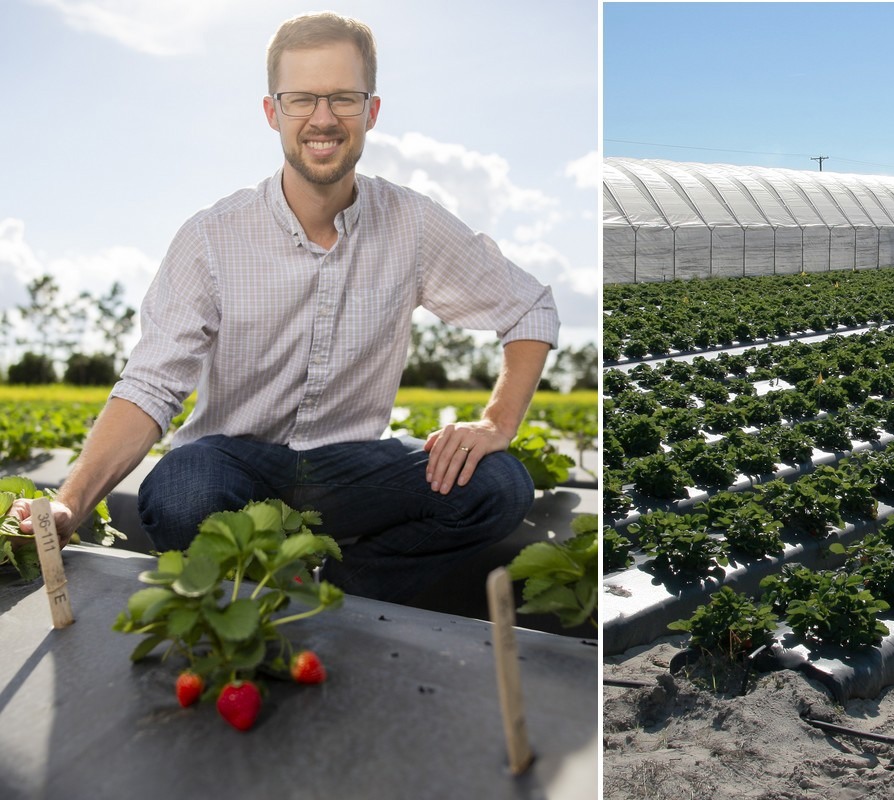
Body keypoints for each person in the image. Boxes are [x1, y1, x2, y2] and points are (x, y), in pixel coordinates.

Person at [8, 12, 558, 604]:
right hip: (234, 464)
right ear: (273, 112)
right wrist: (68, 502)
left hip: (350, 469)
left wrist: (497, 422)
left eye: (344, 98)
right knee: (179, 490)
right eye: (301, 99)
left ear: (371, 111)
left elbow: (530, 306)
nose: (323, 118)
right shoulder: (212, 237)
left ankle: (350, 594)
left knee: (499, 484)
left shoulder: (413, 224)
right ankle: (259, 602)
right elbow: (150, 385)